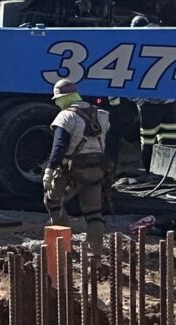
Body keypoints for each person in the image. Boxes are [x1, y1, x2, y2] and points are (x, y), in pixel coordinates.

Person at [44, 83, 113, 234]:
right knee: (93, 212)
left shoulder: (66, 116)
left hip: (73, 170)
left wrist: (50, 169)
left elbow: (59, 146)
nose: (57, 103)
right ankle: (96, 247)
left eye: (57, 99)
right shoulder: (102, 114)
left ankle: (61, 239)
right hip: (97, 169)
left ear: (64, 98)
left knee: (53, 200)